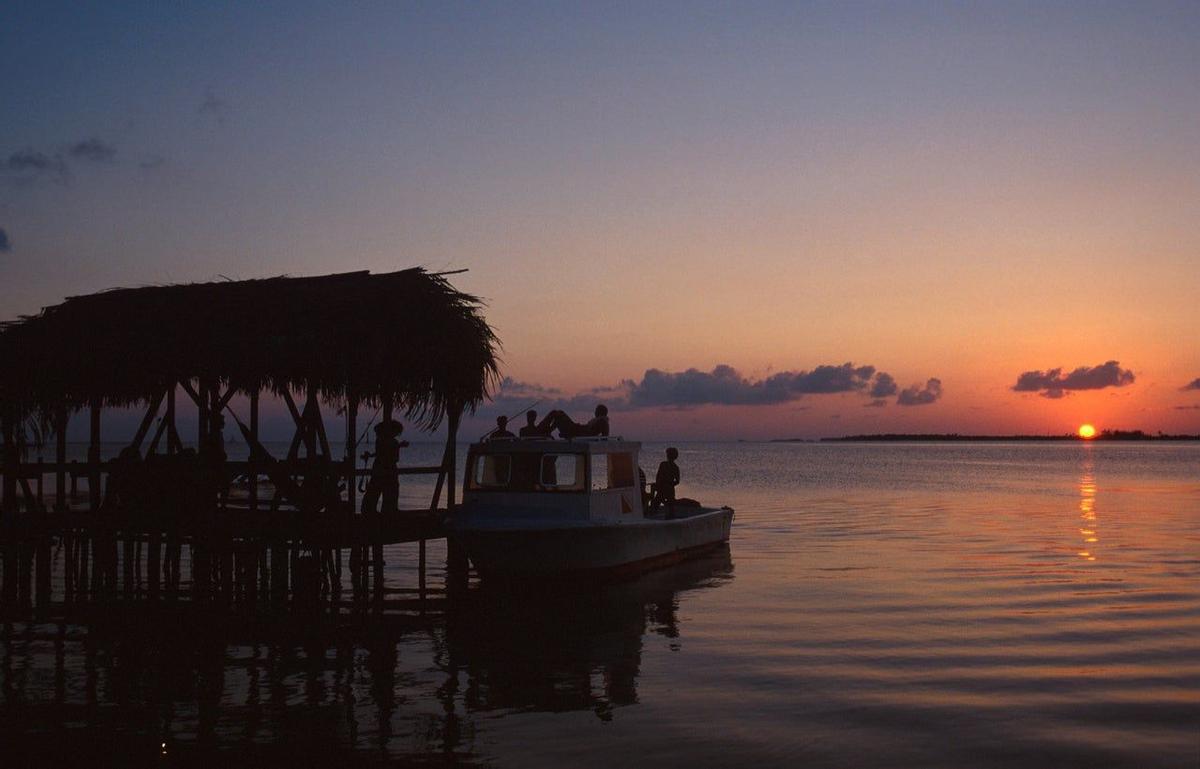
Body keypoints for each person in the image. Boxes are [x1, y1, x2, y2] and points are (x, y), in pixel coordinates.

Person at [361, 420, 407, 514]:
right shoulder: (392, 442)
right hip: (389, 470)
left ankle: (369, 511)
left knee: (374, 490)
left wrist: (398, 446)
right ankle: (388, 512)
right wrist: (398, 446)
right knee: (390, 492)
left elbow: (381, 453)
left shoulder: (380, 440)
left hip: (378, 468)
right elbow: (394, 457)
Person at [653, 447, 680, 518]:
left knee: (660, 504)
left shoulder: (673, 467)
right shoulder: (665, 465)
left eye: (668, 454)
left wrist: (668, 484)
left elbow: (677, 481)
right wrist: (660, 485)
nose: (667, 456)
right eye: (668, 454)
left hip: (667, 489)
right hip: (664, 488)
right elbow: (658, 476)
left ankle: (669, 518)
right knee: (656, 503)